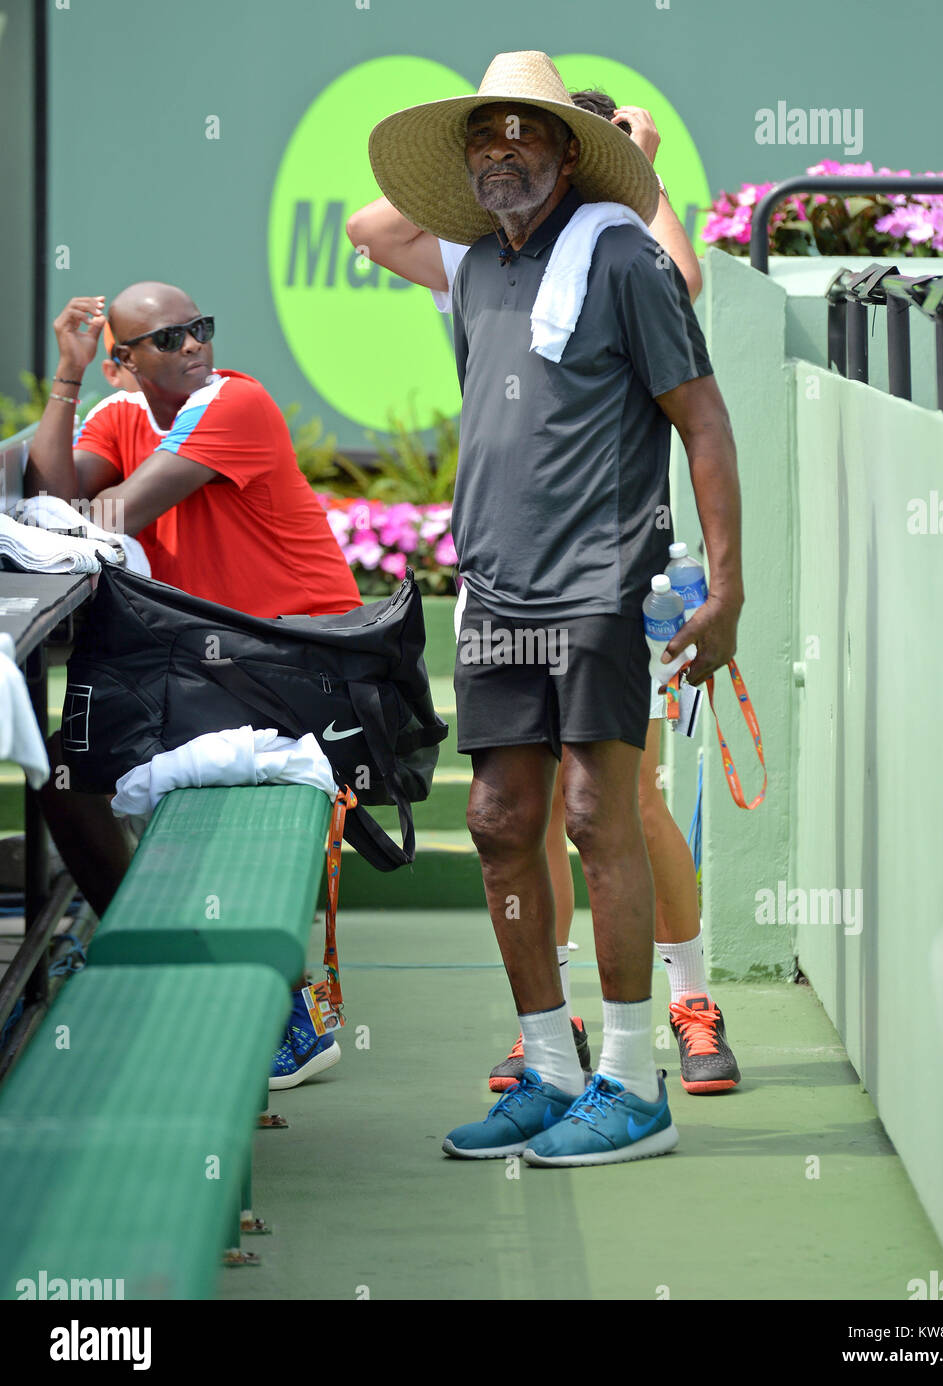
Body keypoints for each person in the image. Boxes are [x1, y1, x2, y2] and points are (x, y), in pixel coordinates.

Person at [368, 51, 744, 1167]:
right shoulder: (476, 267)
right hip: (495, 588)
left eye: (524, 132)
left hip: (599, 580)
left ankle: (632, 1084)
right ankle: (548, 1069)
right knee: (494, 824)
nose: (499, 151)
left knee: (595, 816)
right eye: (481, 135)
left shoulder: (625, 257)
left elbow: (705, 420)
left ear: (570, 151)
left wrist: (726, 588)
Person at [26, 282, 362, 1088]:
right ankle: (170, 950)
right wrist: (66, 381)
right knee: (61, 768)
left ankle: (281, 1013)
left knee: (91, 762)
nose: (192, 347)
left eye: (197, 329)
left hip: (295, 659)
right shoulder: (118, 413)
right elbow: (54, 493)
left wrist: (73, 504)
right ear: (123, 363)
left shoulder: (234, 404)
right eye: (167, 340)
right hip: (208, 661)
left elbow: (104, 517)